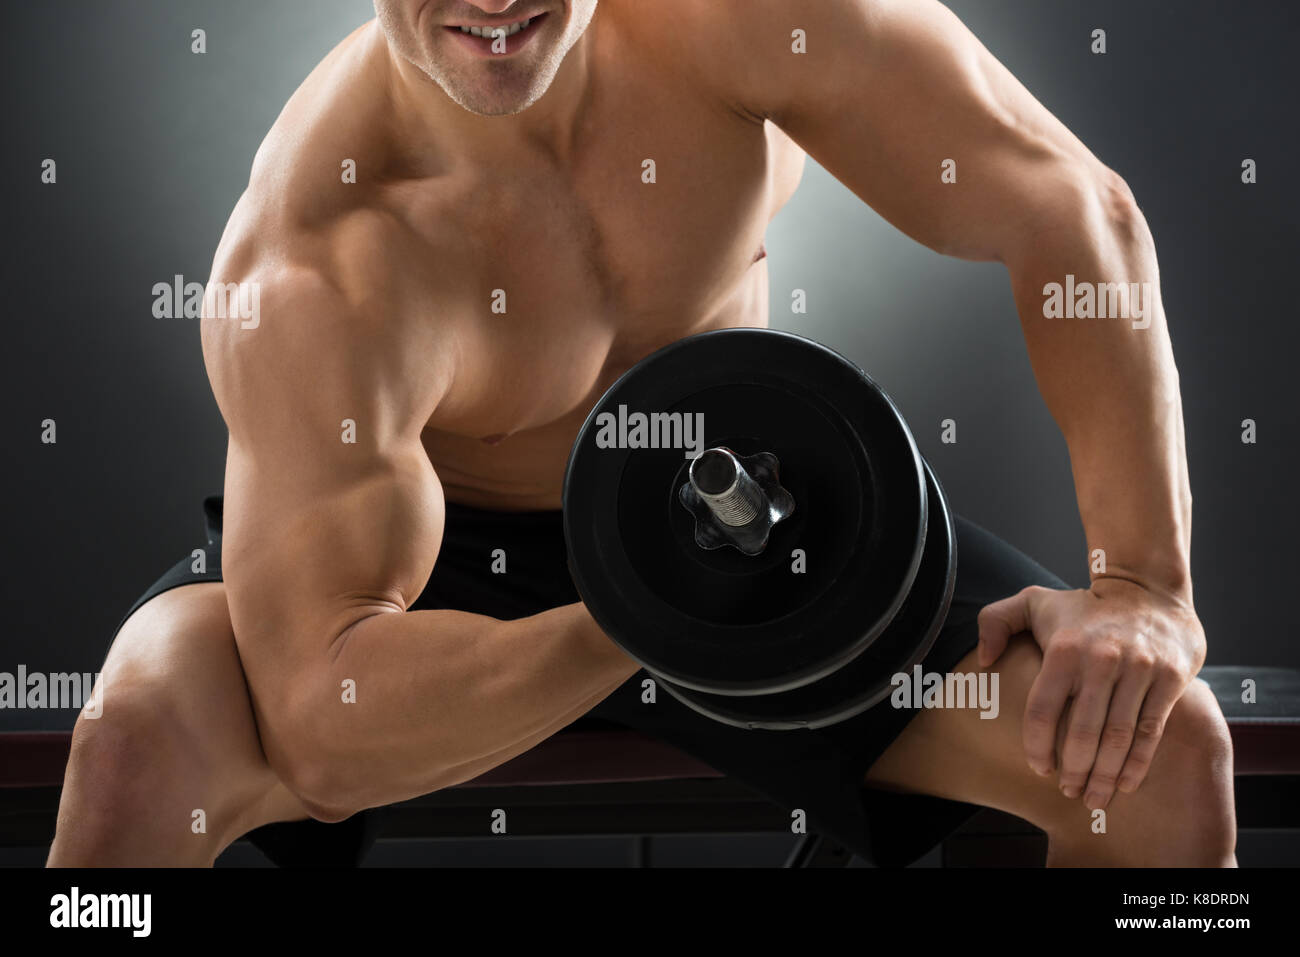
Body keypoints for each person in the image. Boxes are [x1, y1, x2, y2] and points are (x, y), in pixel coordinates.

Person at [49, 0, 1235, 867]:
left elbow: (1070, 209)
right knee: (135, 754)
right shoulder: (318, 260)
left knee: (1157, 751)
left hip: (736, 525)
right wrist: (645, 614)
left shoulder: (742, 20)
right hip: (404, 582)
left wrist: (1140, 582)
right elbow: (322, 725)